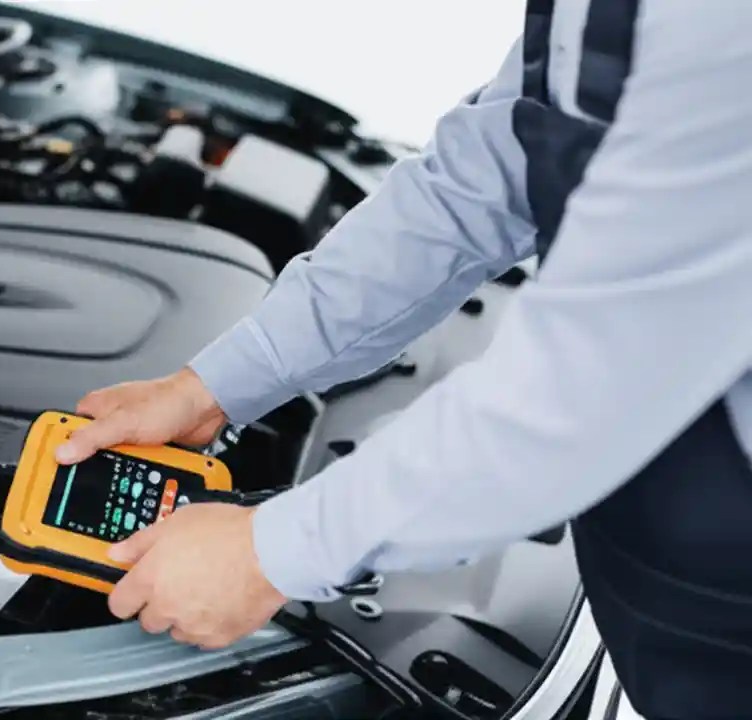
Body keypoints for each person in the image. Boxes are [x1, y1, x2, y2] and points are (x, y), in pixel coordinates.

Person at [52, 2, 752, 717]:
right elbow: (479, 179)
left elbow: (593, 380)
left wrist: (276, 553)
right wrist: (216, 385)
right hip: (656, 559)